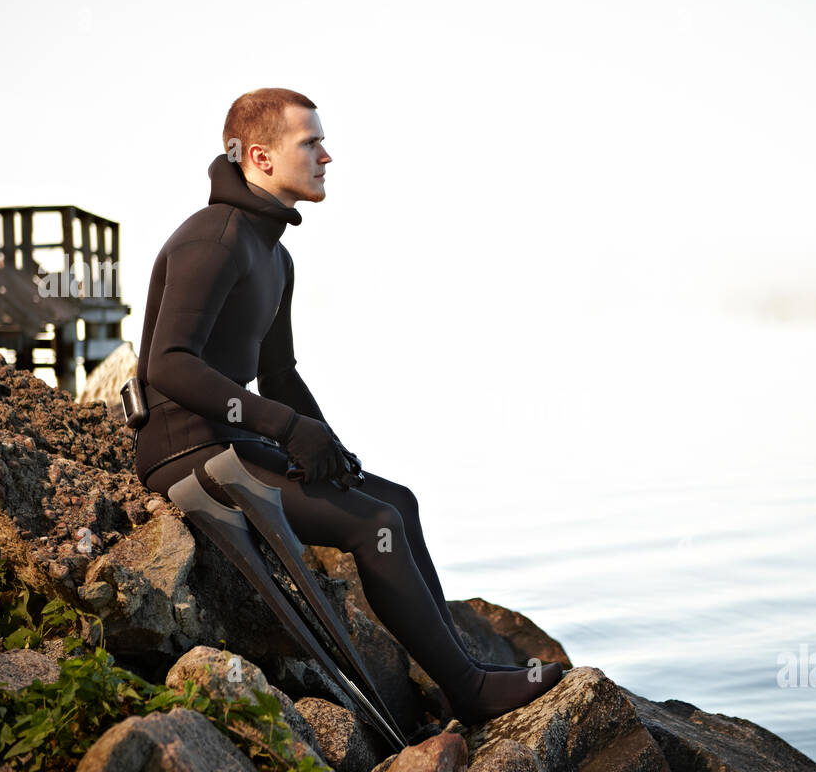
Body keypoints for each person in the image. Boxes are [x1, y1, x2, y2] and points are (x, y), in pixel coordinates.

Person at [133, 87, 563, 725]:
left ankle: (453, 674)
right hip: (187, 453)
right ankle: (470, 693)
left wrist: (327, 447)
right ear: (260, 156)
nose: (327, 156)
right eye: (310, 143)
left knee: (399, 501)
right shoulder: (215, 238)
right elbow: (168, 363)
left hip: (236, 443)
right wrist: (285, 428)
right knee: (370, 524)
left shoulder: (274, 253)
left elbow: (279, 374)